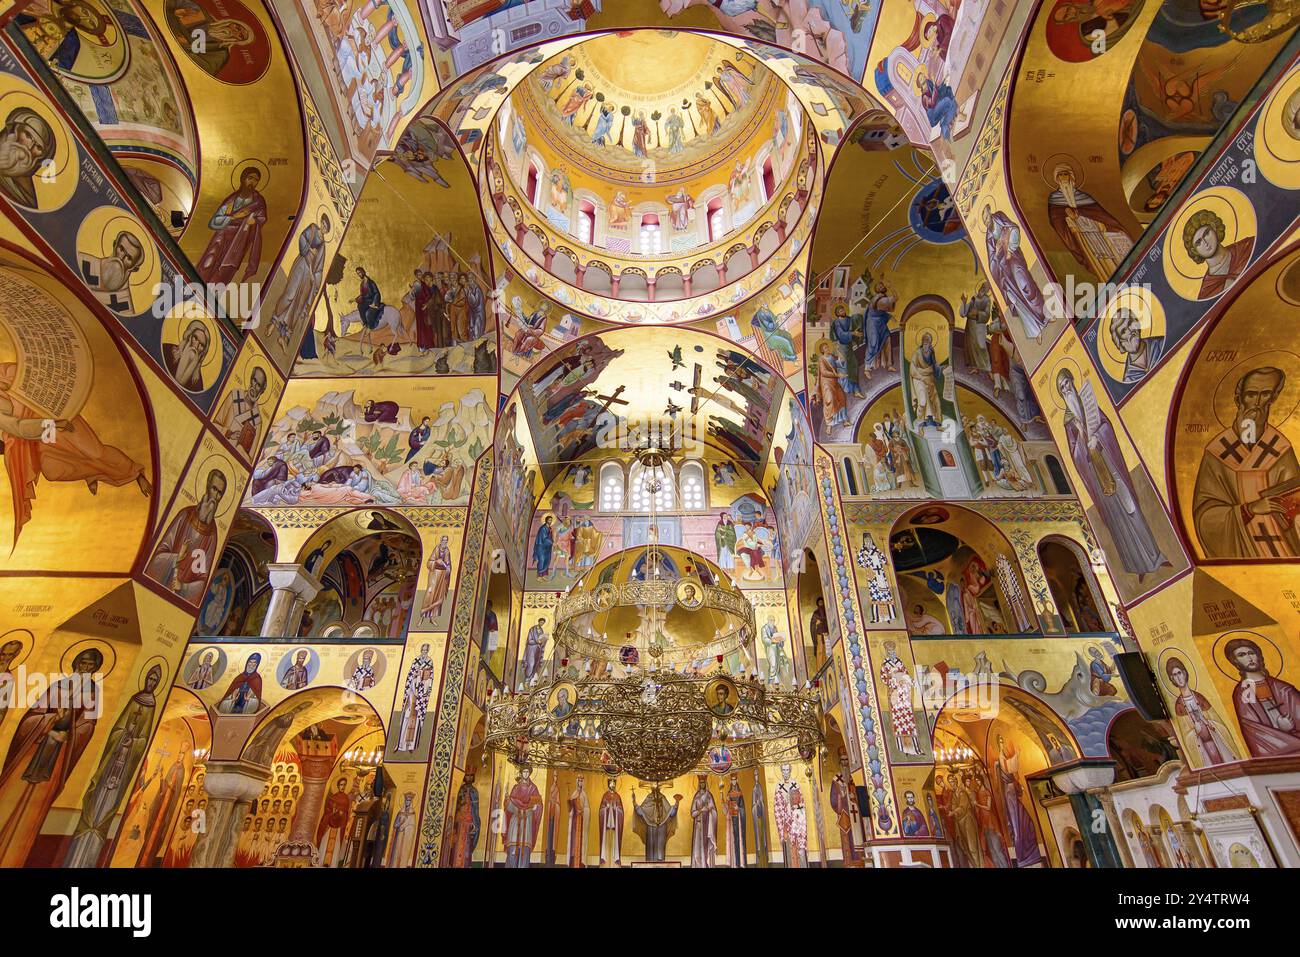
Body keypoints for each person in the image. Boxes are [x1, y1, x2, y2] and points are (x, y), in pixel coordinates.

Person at [1192, 367, 1298, 559]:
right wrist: (1248, 510)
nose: (1257, 403)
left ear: (1273, 398)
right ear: (1238, 399)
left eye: (1265, 394)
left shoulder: (1281, 448)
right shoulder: (1217, 452)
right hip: (1242, 549)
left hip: (1284, 551)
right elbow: (1205, 517)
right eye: (1250, 395)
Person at [1224, 636, 1300, 756]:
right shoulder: (1242, 693)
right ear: (1235, 662)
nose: (1249, 658)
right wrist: (1282, 730)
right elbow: (1253, 730)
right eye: (1242, 655)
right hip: (1277, 750)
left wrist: (1291, 726)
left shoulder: (1283, 688)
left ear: (1258, 656)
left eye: (1251, 653)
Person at [197, 165, 266, 283]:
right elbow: (213, 222)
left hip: (239, 240)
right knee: (208, 264)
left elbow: (261, 218)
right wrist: (232, 217)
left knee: (225, 271)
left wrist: (254, 222)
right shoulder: (232, 200)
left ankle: (211, 297)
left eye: (256, 180)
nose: (252, 182)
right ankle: (194, 287)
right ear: (243, 179)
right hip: (220, 238)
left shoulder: (258, 202)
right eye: (250, 178)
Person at [689, 775, 717, 868]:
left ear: (706, 783)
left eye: (703, 783)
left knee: (705, 846)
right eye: (700, 783)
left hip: (707, 825)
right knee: (697, 849)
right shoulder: (696, 797)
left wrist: (709, 809)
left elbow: (714, 812)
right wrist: (700, 811)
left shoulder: (709, 796)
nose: (702, 784)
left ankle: (706, 865)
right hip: (699, 825)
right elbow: (692, 813)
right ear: (698, 784)